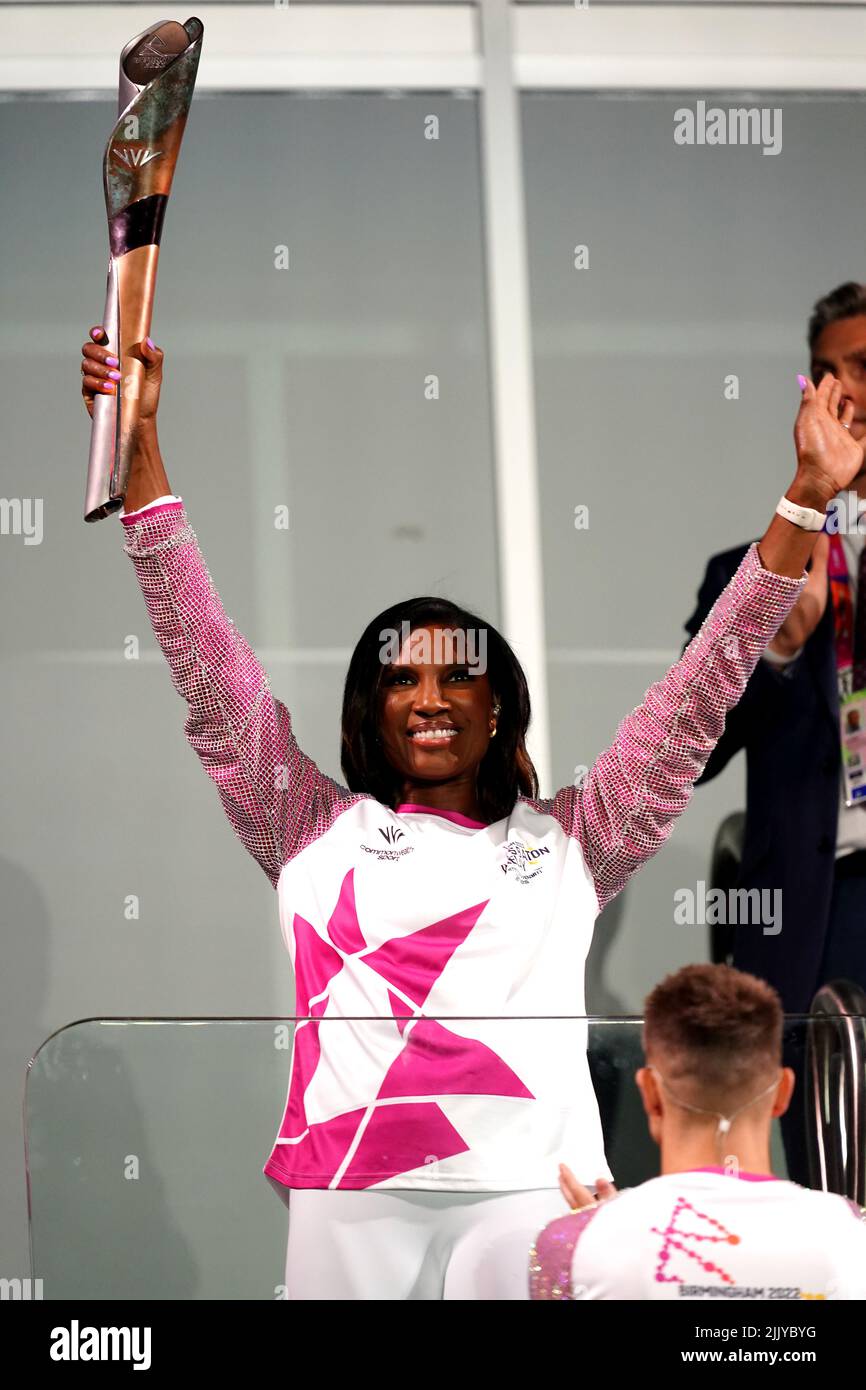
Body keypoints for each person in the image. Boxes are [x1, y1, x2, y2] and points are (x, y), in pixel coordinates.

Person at [80, 323, 860, 1300]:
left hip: (536, 1193)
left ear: (498, 708)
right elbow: (206, 661)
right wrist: (140, 449)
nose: (429, 696)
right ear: (370, 710)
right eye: (399, 678)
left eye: (458, 676)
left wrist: (804, 497)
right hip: (349, 1195)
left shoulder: (579, 836)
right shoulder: (305, 827)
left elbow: (702, 687)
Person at [685, 282, 866, 1185]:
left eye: (863, 368)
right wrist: (779, 649)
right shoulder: (754, 571)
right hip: (816, 909)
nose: (844, 393)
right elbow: (689, 746)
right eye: (827, 372)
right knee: (831, 1194)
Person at [530, 963, 866, 1300]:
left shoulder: (575, 1249)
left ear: (649, 1093)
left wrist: (599, 1231)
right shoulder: (853, 1238)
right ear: (783, 1093)